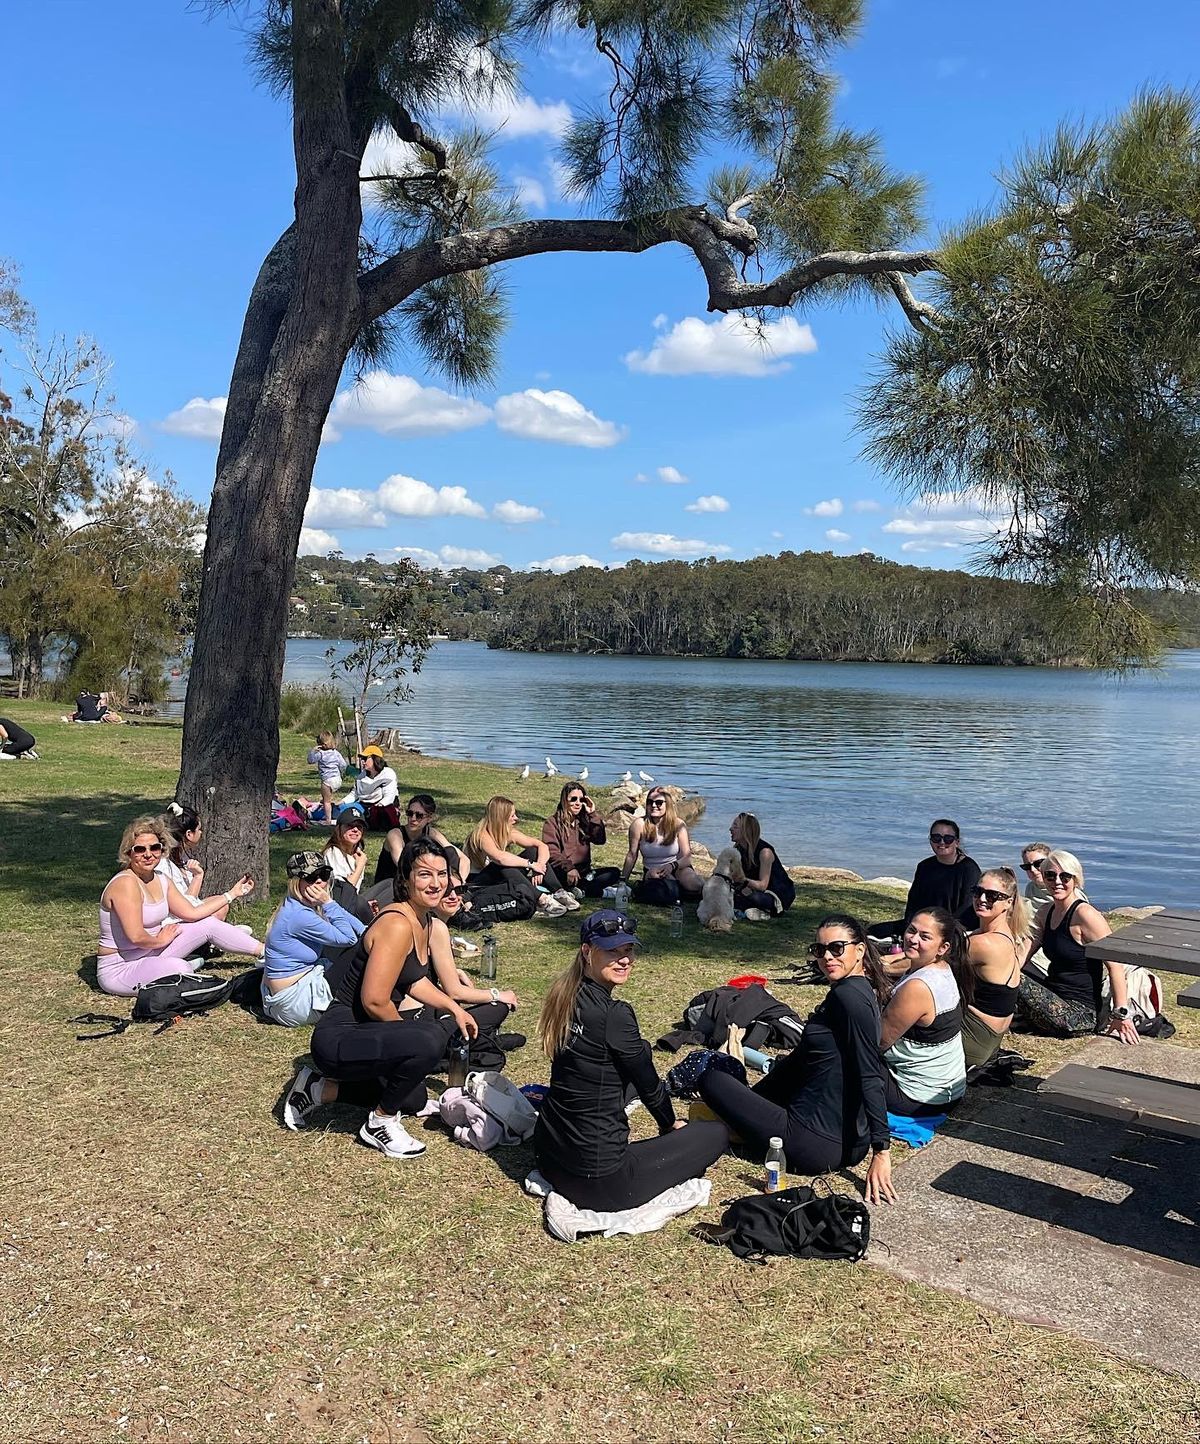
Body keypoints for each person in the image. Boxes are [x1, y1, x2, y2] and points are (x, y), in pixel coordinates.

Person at [281, 838, 480, 1157]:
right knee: (429, 1039)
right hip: (340, 1036)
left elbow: (413, 979)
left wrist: (453, 1007)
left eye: (442, 874)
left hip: (366, 1032)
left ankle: (317, 1088)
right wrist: (408, 1037)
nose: (436, 883)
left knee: (414, 1098)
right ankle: (380, 1123)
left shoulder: (423, 920)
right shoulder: (397, 923)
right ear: (405, 879)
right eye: (425, 874)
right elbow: (374, 1001)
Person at [533, 910, 728, 1209]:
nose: (625, 960)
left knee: (641, 1051)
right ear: (587, 951)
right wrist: (669, 1124)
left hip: (548, 1155)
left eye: (628, 950)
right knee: (715, 1134)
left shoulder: (565, 994)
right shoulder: (615, 1014)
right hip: (598, 1182)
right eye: (613, 951)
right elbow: (649, 1085)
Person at [698, 914, 896, 1205]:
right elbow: (798, 1064)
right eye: (819, 950)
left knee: (710, 1074)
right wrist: (756, 1098)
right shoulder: (859, 990)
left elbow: (870, 1073)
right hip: (848, 1145)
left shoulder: (849, 998)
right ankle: (743, 1124)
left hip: (810, 1144)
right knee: (762, 1077)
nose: (827, 957)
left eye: (837, 948)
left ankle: (738, 1130)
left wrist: (882, 1151)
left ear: (860, 950)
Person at [97, 816, 263, 996]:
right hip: (122, 967)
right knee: (180, 968)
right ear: (128, 853)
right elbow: (136, 937)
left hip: (153, 952)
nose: (148, 854)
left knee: (208, 923)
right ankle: (186, 967)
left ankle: (268, 953)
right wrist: (161, 940)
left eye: (154, 848)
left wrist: (232, 894)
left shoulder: (161, 878)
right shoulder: (126, 883)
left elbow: (192, 913)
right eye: (140, 849)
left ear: (162, 850)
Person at [1017, 850, 1139, 1045]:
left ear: (1075, 879)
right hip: (1053, 995)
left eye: (1065, 876)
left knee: (1013, 978)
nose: (1057, 881)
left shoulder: (1085, 915)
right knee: (1003, 969)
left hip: (1080, 1013)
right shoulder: (1046, 912)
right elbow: (1023, 953)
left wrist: (1121, 1015)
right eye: (1050, 876)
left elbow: (1115, 965)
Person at [880, 907, 969, 1116]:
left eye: (925, 937)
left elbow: (878, 1042)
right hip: (947, 1091)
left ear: (943, 948)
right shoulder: (941, 968)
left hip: (919, 1098)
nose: (913, 939)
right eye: (911, 930)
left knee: (843, 1052)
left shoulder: (918, 987)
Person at [260, 851, 365, 1026]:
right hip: (295, 1002)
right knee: (366, 945)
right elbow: (350, 939)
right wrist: (328, 903)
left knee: (370, 937)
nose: (319, 882)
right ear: (295, 882)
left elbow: (355, 925)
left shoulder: (296, 903)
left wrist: (368, 929)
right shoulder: (299, 915)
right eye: (311, 877)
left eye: (323, 875)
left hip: (288, 995)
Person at [465, 795, 578, 918]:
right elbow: (500, 858)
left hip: (497, 878)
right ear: (501, 817)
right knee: (502, 865)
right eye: (512, 815)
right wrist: (531, 865)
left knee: (533, 851)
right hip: (476, 884)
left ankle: (559, 893)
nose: (516, 818)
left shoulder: (507, 832)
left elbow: (541, 846)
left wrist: (539, 866)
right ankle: (542, 900)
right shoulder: (482, 835)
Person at [962, 868, 1031, 1070]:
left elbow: (929, 959)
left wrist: (883, 965)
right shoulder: (1005, 935)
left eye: (992, 895)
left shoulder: (985, 943)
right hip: (989, 1041)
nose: (982, 899)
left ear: (1008, 902)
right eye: (978, 892)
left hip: (973, 1040)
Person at [870, 819, 981, 940]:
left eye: (948, 838)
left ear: (957, 842)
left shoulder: (969, 869)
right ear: (930, 840)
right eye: (936, 838)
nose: (942, 842)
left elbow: (968, 910)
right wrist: (910, 926)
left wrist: (939, 928)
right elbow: (913, 904)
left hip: (953, 927)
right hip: (923, 923)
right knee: (872, 932)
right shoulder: (924, 866)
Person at [620, 787, 704, 903]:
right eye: (650, 802)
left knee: (695, 885)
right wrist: (623, 881)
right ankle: (676, 891)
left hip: (676, 867)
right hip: (652, 870)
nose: (654, 805)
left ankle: (688, 888)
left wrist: (672, 866)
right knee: (661, 887)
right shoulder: (638, 825)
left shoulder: (678, 824)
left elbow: (687, 857)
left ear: (667, 804)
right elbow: (632, 855)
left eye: (659, 802)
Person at [542, 781, 620, 899]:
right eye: (573, 799)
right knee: (565, 878)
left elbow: (600, 840)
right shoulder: (552, 823)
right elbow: (552, 852)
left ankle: (582, 890)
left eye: (581, 800)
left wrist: (592, 814)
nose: (578, 803)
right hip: (563, 872)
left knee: (614, 872)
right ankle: (594, 892)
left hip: (584, 874)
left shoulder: (584, 821)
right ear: (564, 801)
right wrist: (569, 868)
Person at [375, 794, 468, 889]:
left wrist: (459, 881)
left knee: (450, 851)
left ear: (430, 818)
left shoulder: (432, 833)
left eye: (419, 815)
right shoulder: (395, 834)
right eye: (410, 813)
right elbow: (403, 865)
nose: (413, 819)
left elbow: (464, 859)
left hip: (418, 884)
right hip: (390, 885)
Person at [157, 802, 229, 922]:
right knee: (219, 908)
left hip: (184, 913)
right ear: (189, 834)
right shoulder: (164, 865)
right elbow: (187, 908)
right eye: (199, 829)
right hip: (174, 920)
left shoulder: (181, 856)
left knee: (221, 904)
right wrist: (198, 877)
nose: (201, 833)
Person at [729, 812, 796, 919]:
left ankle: (762, 910)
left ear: (746, 830)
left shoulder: (765, 852)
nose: (730, 829)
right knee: (724, 893)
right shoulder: (738, 849)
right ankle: (749, 910)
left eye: (735, 826)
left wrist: (742, 880)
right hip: (752, 890)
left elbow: (762, 885)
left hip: (774, 894)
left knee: (753, 897)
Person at [340, 745, 399, 830]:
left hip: (382, 807)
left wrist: (376, 807)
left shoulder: (388, 774)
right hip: (364, 805)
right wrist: (342, 802)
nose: (363, 762)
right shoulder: (361, 776)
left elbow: (389, 797)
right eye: (362, 759)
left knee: (379, 813)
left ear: (375, 759)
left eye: (365, 758)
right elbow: (354, 794)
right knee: (342, 809)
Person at [322, 810, 368, 904]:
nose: (355, 830)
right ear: (338, 829)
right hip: (339, 905)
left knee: (388, 885)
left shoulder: (358, 854)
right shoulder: (333, 853)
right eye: (349, 826)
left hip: (354, 899)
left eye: (359, 827)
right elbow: (344, 893)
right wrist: (360, 866)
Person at [307, 731, 348, 823]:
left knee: (327, 801)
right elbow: (343, 765)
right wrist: (341, 773)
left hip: (327, 781)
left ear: (321, 744)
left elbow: (310, 760)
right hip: (337, 779)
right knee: (326, 798)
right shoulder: (336, 753)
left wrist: (313, 751)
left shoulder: (321, 754)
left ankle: (328, 820)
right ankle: (324, 802)